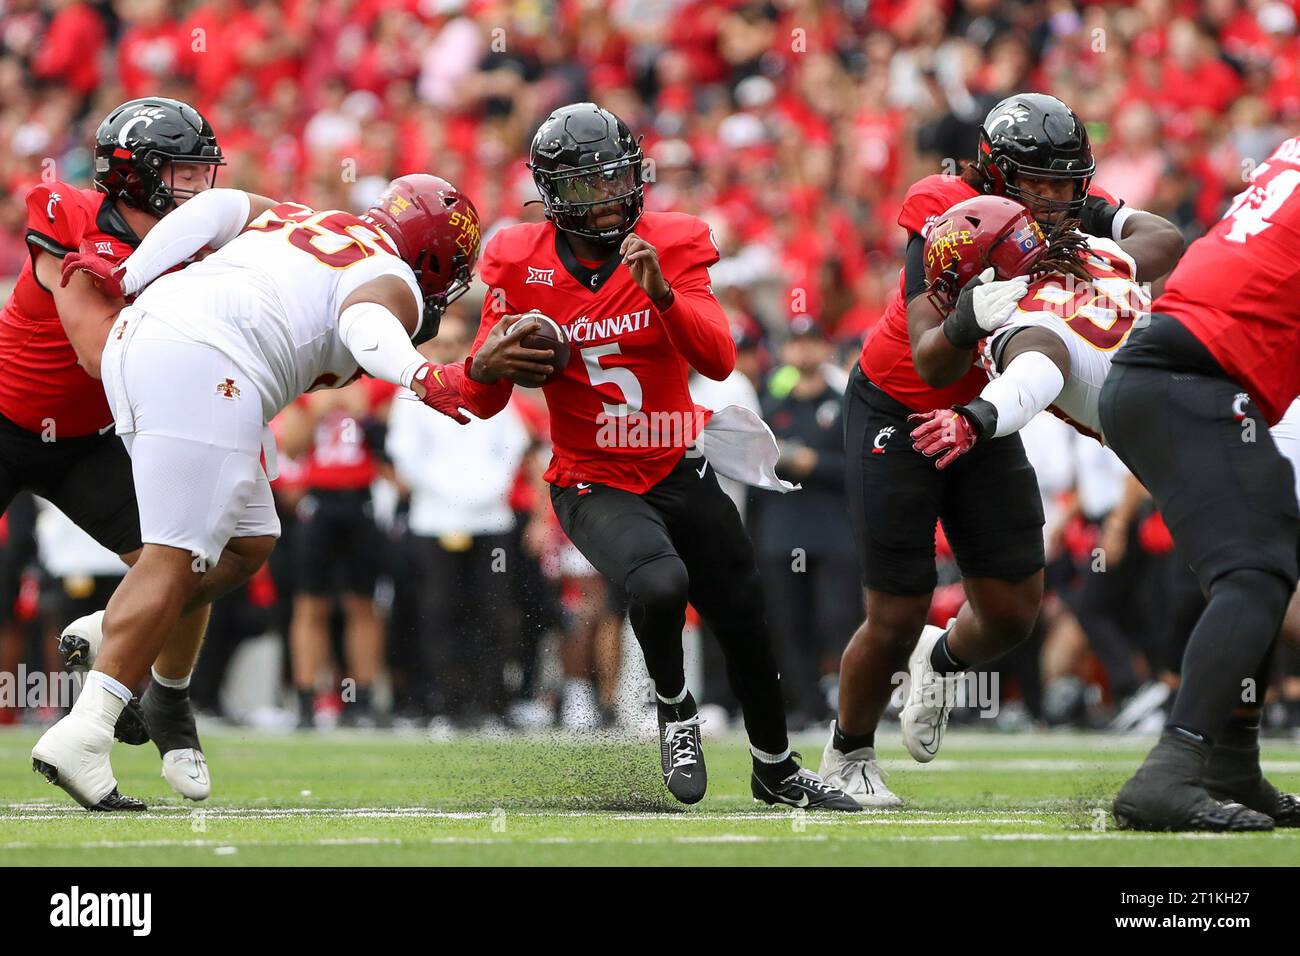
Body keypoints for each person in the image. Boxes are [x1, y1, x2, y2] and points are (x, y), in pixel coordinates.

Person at [30, 174, 480, 810]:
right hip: (208, 367)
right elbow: (365, 322)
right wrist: (422, 375)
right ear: (433, 257)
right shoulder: (392, 278)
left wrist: (131, 276)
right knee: (175, 557)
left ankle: (120, 632)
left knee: (249, 541)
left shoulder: (302, 216)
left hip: (141, 339)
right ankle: (85, 733)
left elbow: (218, 206)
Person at [456, 102, 858, 810]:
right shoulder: (519, 259)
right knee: (662, 581)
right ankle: (675, 707)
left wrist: (664, 296)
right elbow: (484, 399)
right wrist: (481, 365)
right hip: (591, 478)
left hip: (678, 460)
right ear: (553, 194)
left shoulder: (669, 242)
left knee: (743, 611)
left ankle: (775, 768)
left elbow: (719, 355)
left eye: (618, 178)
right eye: (589, 185)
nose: (610, 197)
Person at [821, 93, 1185, 807]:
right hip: (900, 407)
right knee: (897, 609)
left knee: (1015, 609)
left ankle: (941, 658)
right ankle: (849, 752)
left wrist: (1100, 253)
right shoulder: (944, 204)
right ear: (995, 170)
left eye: (1065, 183)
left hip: (986, 411)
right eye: (1038, 182)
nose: (1053, 197)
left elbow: (1163, 240)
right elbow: (929, 358)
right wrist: (966, 317)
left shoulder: (1068, 210)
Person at [2, 96, 226, 799]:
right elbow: (98, 351)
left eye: (203, 172)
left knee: (187, 558)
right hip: (7, 418)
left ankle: (163, 696)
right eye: (183, 173)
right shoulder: (67, 212)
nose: (199, 187)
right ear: (136, 174)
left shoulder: (200, 249)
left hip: (89, 445)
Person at [1097, 135, 1300, 832]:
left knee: (1264, 560)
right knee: (1255, 572)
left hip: (1174, 375)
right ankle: (1170, 771)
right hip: (1191, 378)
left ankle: (1231, 765)